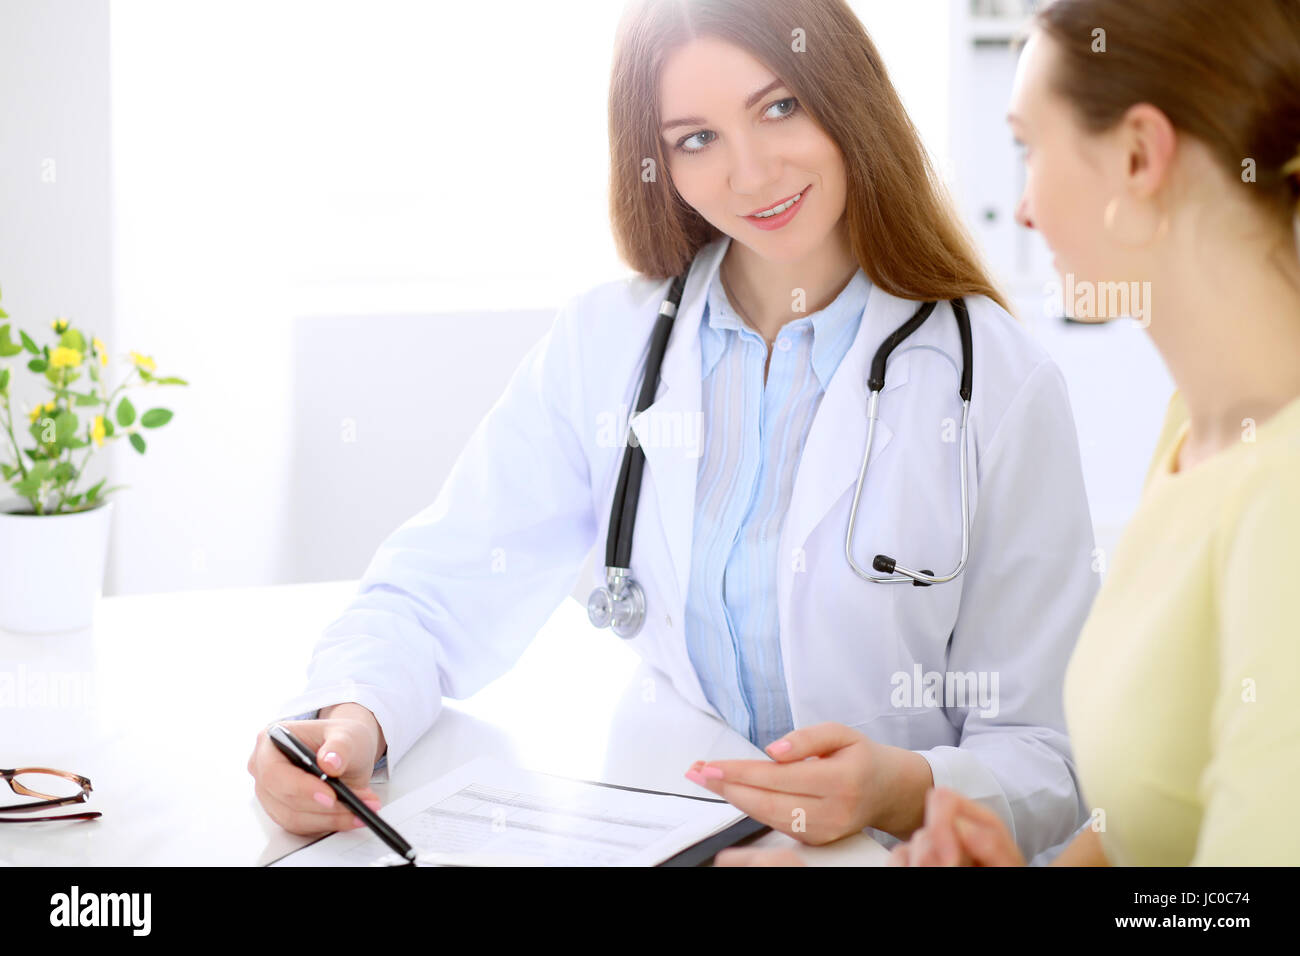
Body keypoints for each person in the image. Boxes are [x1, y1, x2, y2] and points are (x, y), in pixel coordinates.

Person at [247, 0, 1100, 863]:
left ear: (848, 95)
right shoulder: (605, 344)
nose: (751, 173)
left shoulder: (993, 382)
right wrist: (348, 721)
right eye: (696, 139)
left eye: (780, 106)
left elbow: (1049, 759)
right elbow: (437, 590)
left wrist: (900, 787)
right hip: (677, 833)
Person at [721, 0, 1300, 867]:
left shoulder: (1284, 495)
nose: (1022, 210)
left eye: (1030, 147)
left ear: (1139, 157)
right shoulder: (1196, 429)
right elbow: (1147, 822)